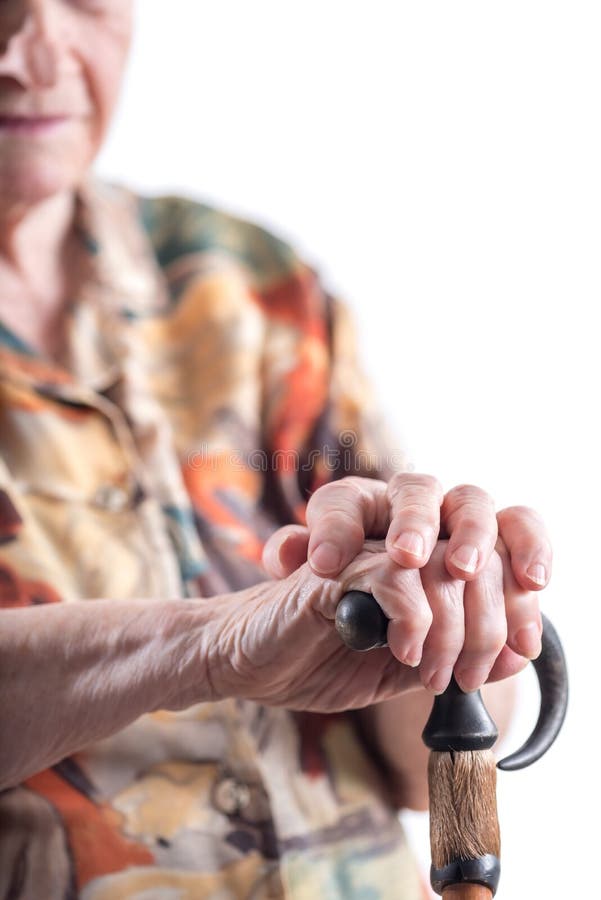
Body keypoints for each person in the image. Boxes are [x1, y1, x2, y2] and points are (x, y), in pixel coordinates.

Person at [0, 3, 551, 898]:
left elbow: (419, 772)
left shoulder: (246, 283)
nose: (30, 55)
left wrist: (453, 604)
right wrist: (209, 646)